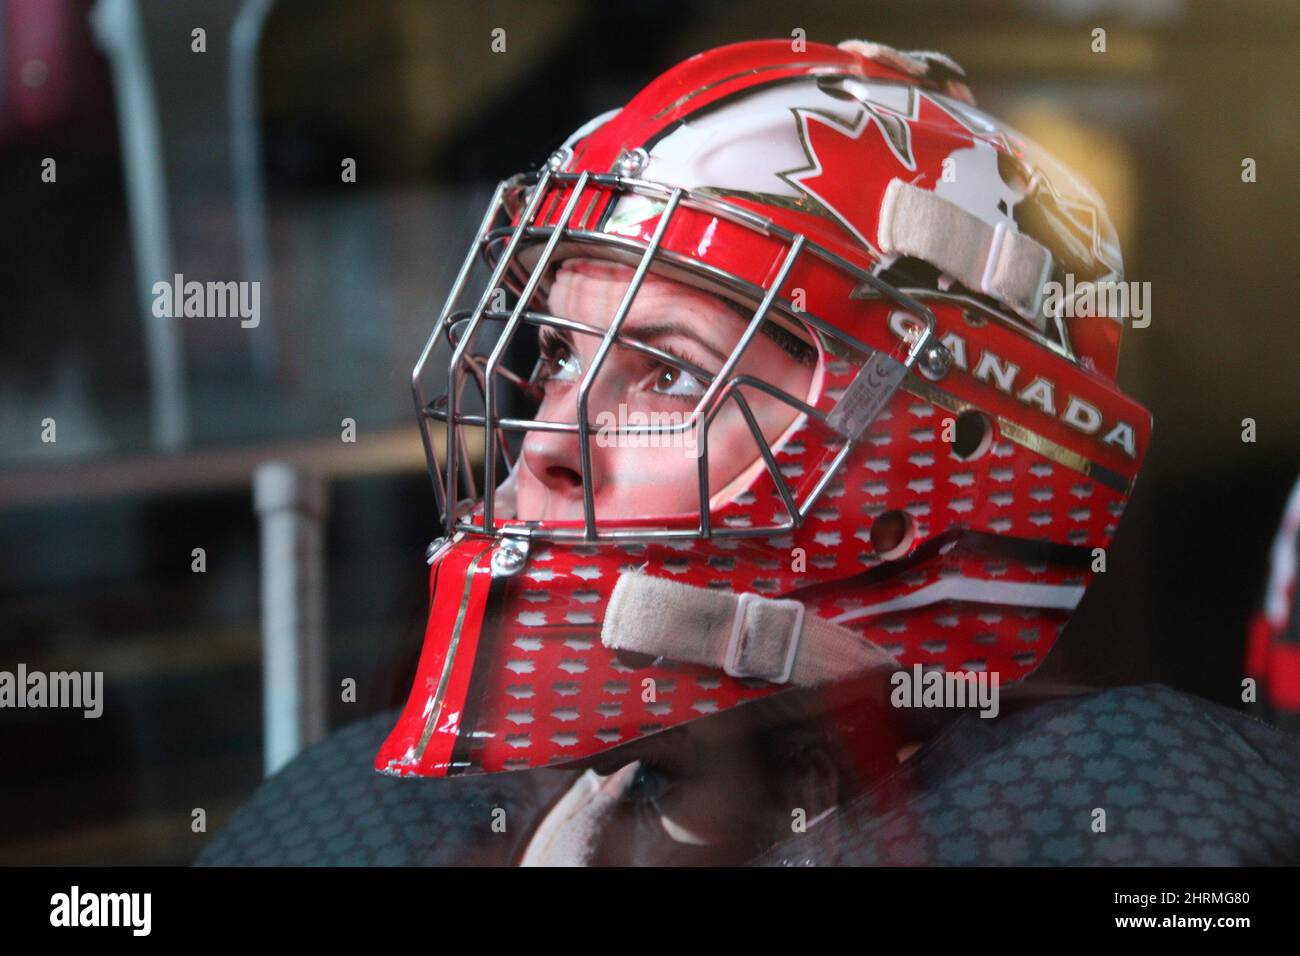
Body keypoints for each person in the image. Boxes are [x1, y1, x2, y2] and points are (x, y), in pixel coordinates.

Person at [198, 37, 1300, 866]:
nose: (541, 444)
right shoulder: (356, 814)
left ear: (927, 463)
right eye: (559, 357)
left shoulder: (1145, 816)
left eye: (667, 370)